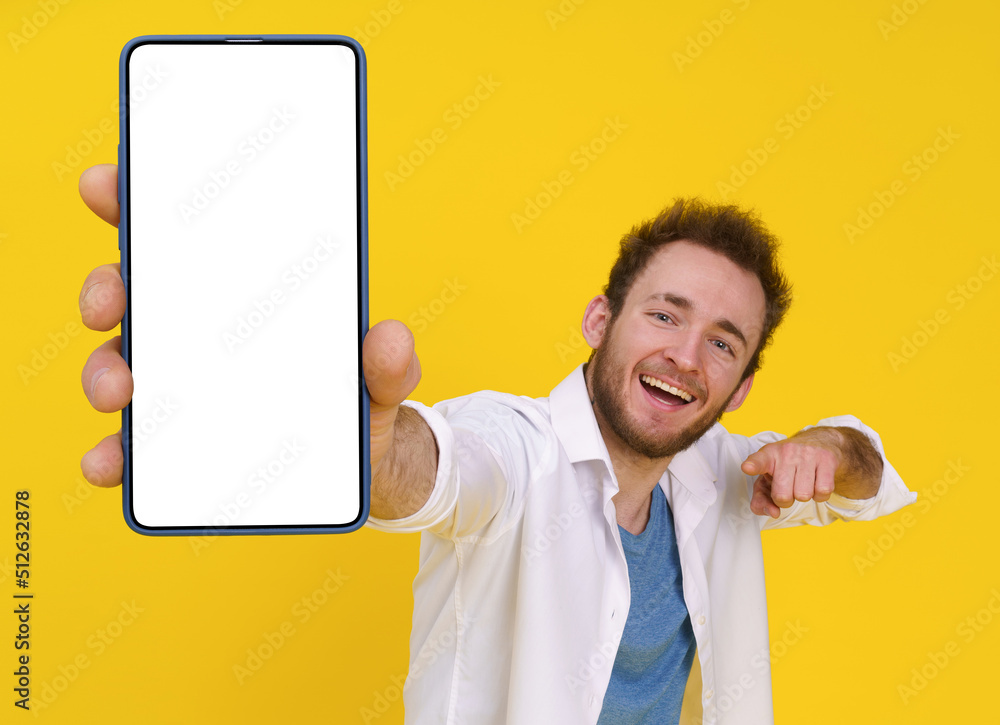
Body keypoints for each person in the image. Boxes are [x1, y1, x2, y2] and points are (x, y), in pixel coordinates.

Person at [78, 164, 916, 725]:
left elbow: (869, 473)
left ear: (739, 390)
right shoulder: (518, 451)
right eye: (664, 314)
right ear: (600, 321)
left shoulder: (727, 473)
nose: (686, 357)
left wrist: (832, 446)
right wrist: (356, 443)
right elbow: (435, 468)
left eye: (723, 343)